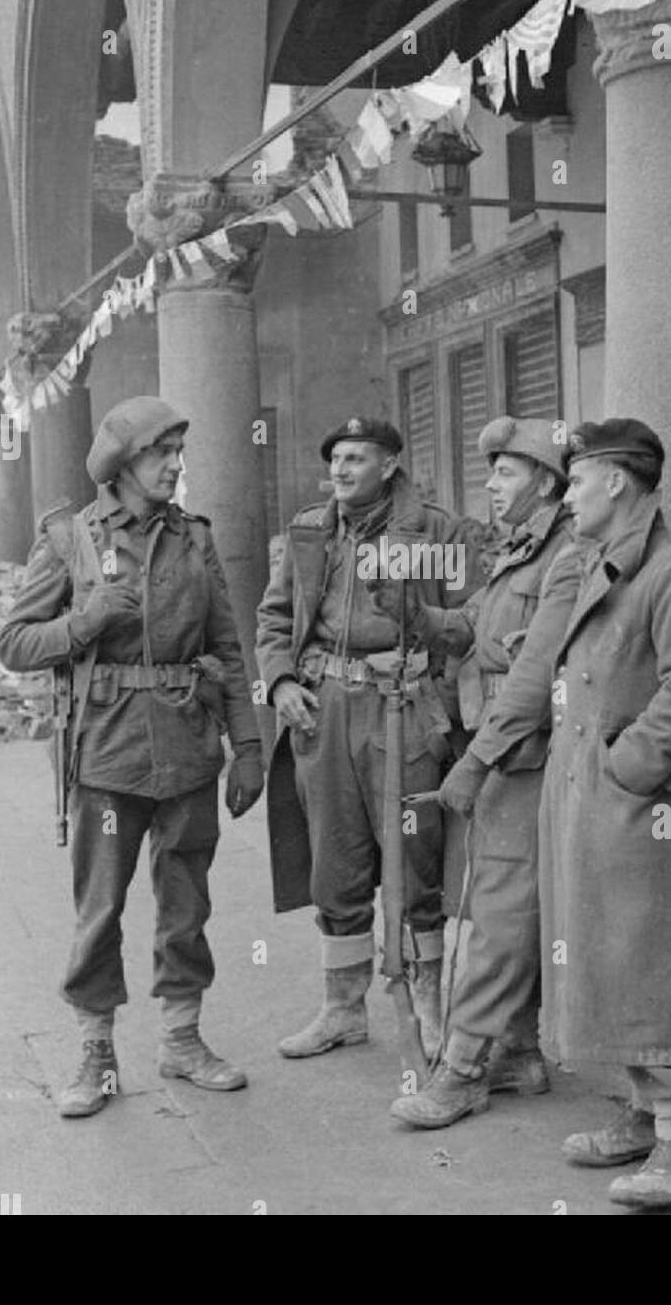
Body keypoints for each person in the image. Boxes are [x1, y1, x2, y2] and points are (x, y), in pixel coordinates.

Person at [0, 395, 264, 1117]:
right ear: (122, 462)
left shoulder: (194, 539)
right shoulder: (70, 539)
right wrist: (85, 623)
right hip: (105, 754)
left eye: (180, 452)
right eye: (161, 454)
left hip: (186, 748)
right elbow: (15, 643)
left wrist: (247, 745)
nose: (176, 466)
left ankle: (181, 1039)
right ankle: (95, 1053)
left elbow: (228, 650)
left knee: (187, 902)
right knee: (100, 909)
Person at [537, 418, 671, 1209]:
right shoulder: (601, 563)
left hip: (642, 801)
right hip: (592, 795)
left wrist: (629, 764)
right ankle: (643, 1113)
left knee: (653, 956)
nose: (569, 494)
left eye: (578, 480)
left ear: (617, 481)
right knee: (608, 953)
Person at [255, 416, 478, 1061]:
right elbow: (273, 620)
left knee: (415, 862)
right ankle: (342, 1008)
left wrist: (433, 660)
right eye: (337, 458)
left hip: (402, 710)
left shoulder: (437, 532)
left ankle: (429, 1009)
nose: (343, 470)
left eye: (358, 457)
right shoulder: (308, 531)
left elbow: (471, 624)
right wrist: (282, 682)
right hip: (322, 712)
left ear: (389, 465)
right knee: (334, 863)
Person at [386, 416, 581, 1128]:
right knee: (507, 905)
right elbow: (472, 625)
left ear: (547, 481)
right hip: (508, 750)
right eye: (492, 471)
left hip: (527, 753)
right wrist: (414, 611)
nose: (491, 485)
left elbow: (531, 677)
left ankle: (463, 1068)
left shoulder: (568, 556)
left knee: (498, 914)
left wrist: (473, 762)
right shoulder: (521, 551)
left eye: (506, 472)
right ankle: (521, 1052)